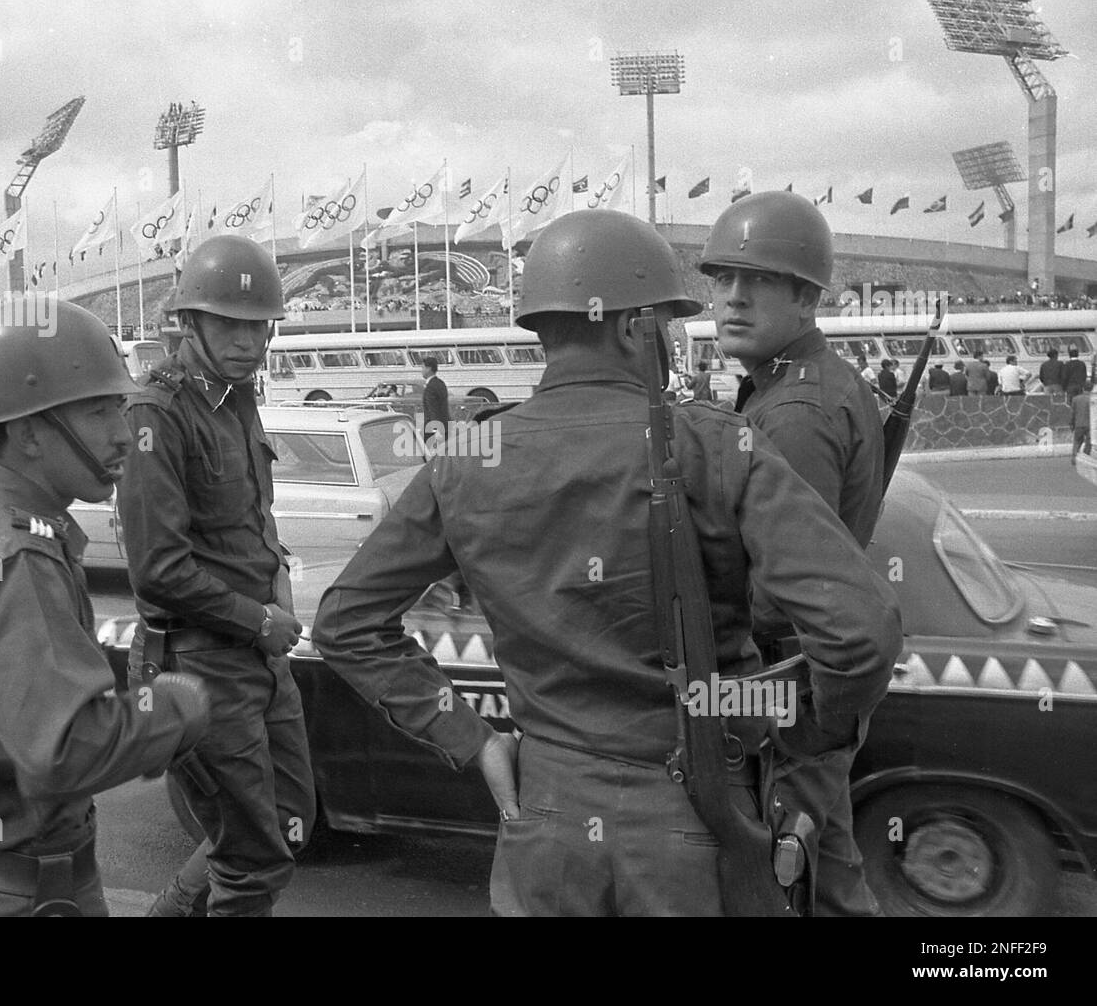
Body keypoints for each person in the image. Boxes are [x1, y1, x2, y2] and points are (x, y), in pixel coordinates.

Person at [312, 210, 902, 917]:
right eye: (670, 322)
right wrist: (802, 750)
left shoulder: (467, 458)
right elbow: (860, 633)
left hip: (544, 824)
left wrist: (469, 738)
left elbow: (345, 622)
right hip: (695, 823)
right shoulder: (716, 447)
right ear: (634, 328)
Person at [0, 300, 209, 916]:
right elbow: (65, 749)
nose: (122, 432)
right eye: (97, 410)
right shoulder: (20, 560)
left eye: (119, 406)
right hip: (25, 894)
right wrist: (177, 706)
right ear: (29, 431)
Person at [700, 189, 889, 917]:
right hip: (805, 682)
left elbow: (783, 588)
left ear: (806, 298)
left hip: (783, 681)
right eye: (722, 279)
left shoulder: (793, 412)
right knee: (826, 873)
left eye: (761, 281)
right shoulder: (803, 386)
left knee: (791, 885)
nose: (734, 298)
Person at [118, 234, 315, 918]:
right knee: (252, 857)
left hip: (257, 655)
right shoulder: (157, 413)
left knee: (290, 816)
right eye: (231, 323)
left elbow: (246, 518)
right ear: (189, 322)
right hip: (200, 662)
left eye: (260, 324)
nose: (250, 338)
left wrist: (277, 570)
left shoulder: (235, 398)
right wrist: (258, 617)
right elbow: (158, 569)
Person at [422, 355, 450, 447]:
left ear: (429, 368)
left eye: (423, 367)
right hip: (445, 427)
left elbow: (432, 410)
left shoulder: (430, 387)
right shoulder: (441, 383)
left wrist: (436, 430)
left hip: (432, 430)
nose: (421, 370)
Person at [1072, 385, 1092, 464]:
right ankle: (1084, 457)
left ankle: (1074, 457)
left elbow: (1073, 413)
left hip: (1078, 424)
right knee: (1089, 442)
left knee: (1077, 441)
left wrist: (1072, 423)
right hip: (1089, 424)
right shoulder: (1091, 399)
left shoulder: (1075, 399)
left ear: (1083, 388)